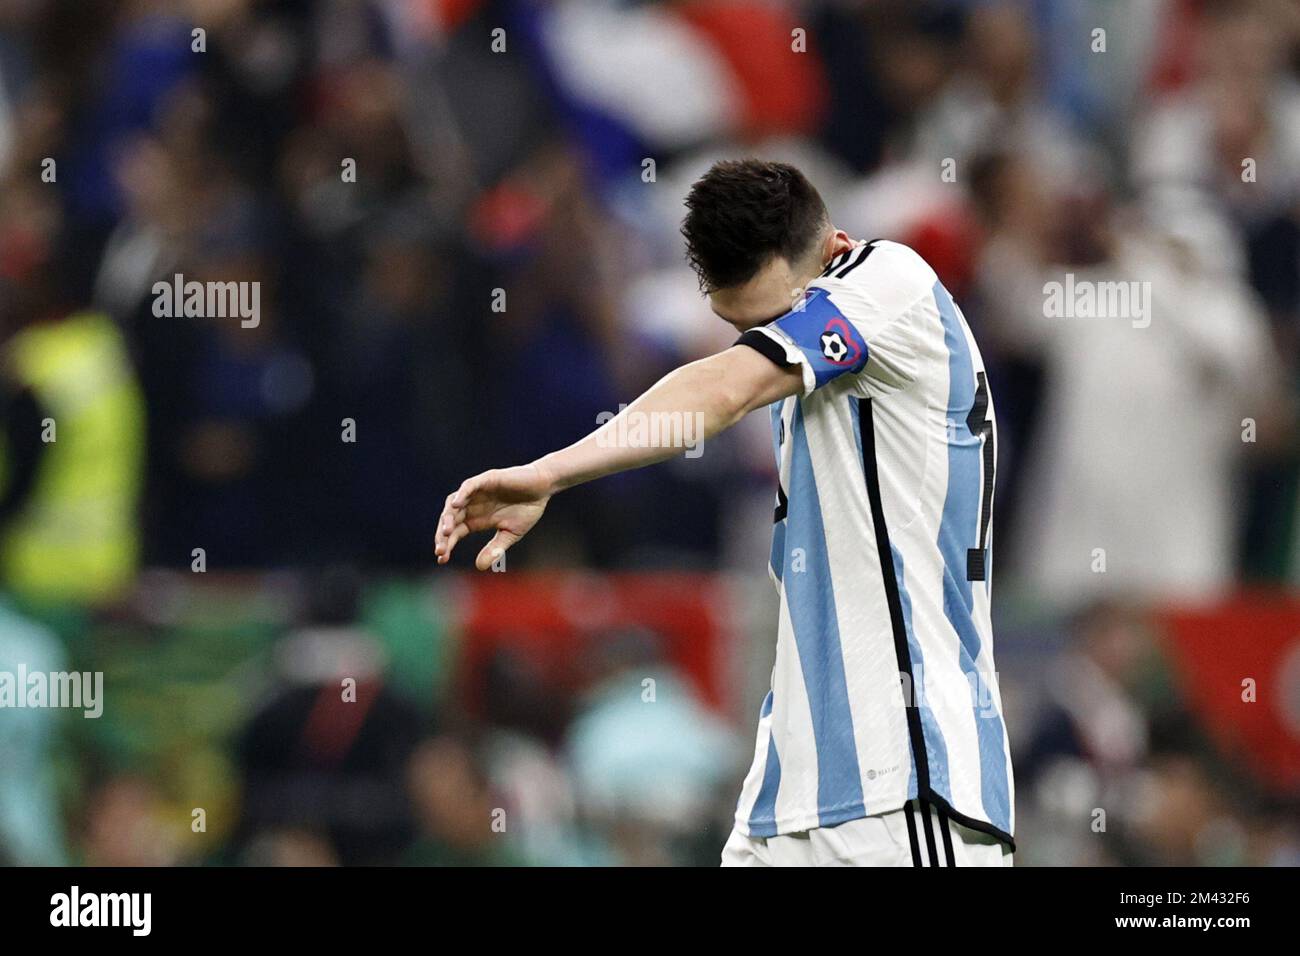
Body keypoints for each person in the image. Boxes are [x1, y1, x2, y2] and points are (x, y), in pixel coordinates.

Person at [435, 159, 1014, 867]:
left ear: (825, 250)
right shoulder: (819, 353)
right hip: (792, 784)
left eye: (773, 317)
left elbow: (722, 389)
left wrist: (550, 472)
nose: (762, 338)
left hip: (907, 775)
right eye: (741, 325)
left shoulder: (891, 285)